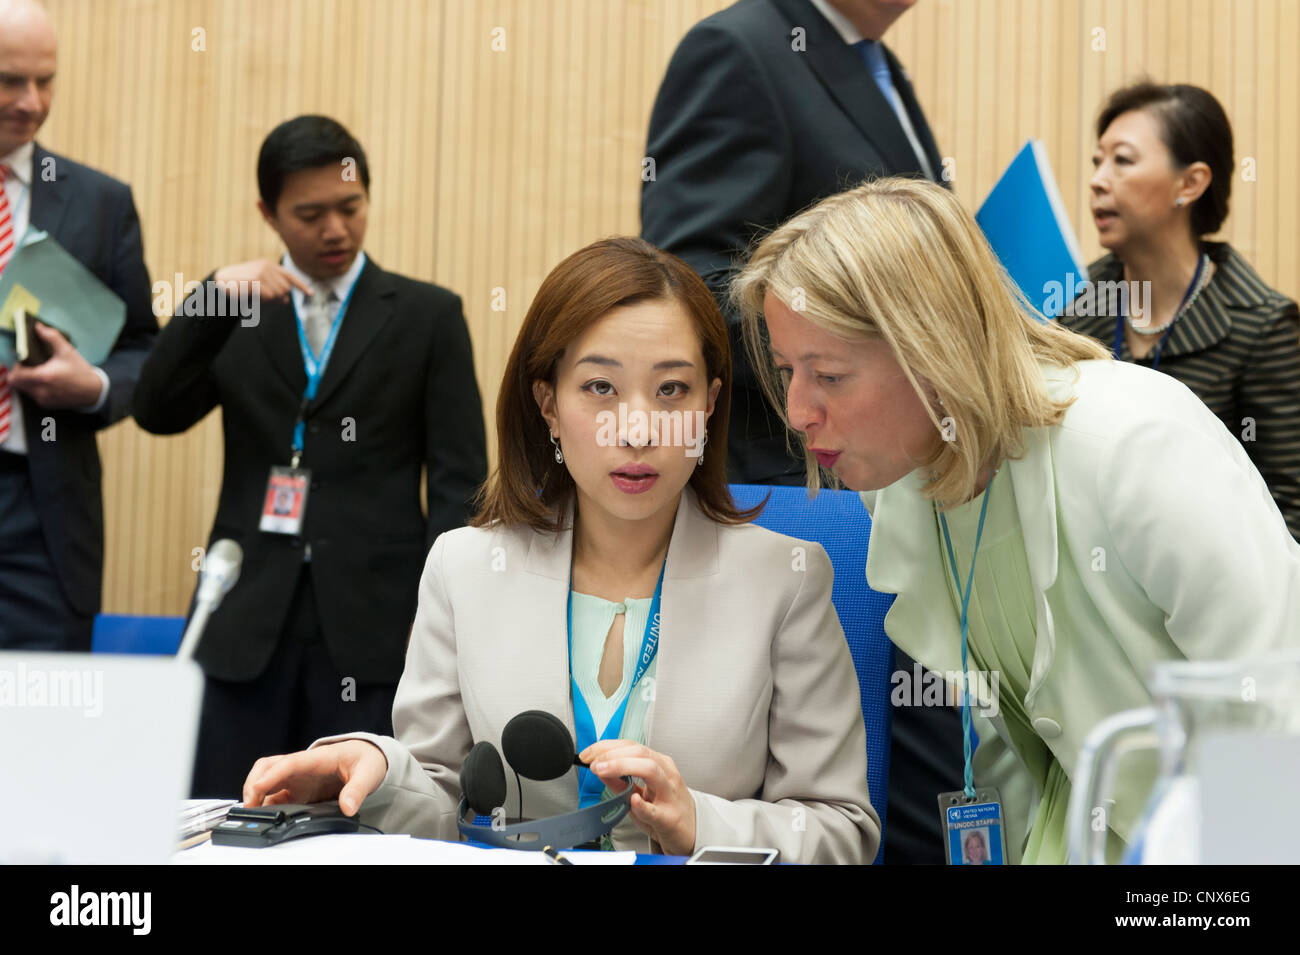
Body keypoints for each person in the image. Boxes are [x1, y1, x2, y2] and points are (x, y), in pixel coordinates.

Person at [240, 237, 879, 863]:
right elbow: (442, 798)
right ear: (547, 403)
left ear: (709, 405)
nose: (637, 429)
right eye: (600, 388)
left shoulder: (785, 580)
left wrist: (698, 821)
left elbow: (841, 831)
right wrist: (375, 768)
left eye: (672, 390)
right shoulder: (464, 568)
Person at [733, 177, 1300, 863]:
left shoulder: (1139, 447)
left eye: (828, 375)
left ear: (931, 348)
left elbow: (1277, 714)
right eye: (789, 369)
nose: (797, 411)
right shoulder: (909, 484)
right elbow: (1021, 750)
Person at [642, 0, 957, 864]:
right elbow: (695, 291)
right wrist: (823, 381)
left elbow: (1259, 692)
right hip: (809, 492)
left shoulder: (876, 72)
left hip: (904, 492)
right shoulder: (743, 51)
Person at [133, 116, 487, 799]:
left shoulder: (427, 315)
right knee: (226, 813)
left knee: (362, 821)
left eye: (350, 208)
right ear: (268, 213)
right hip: (246, 625)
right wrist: (208, 297)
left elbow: (457, 482)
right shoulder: (237, 307)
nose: (335, 230)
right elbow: (155, 409)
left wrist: (443, 618)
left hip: (374, 628)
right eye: (310, 213)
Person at [1060, 81, 1300, 541]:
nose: (1097, 180)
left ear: (1190, 184)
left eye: (1122, 161)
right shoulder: (1071, 308)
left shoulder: (1261, 325)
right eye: (1097, 162)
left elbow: (1289, 507)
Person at [0, 0, 157, 651]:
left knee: (37, 736)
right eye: (9, 80)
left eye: (47, 80)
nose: (32, 102)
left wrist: (91, 384)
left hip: (42, 514)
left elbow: (143, 349)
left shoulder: (101, 203)